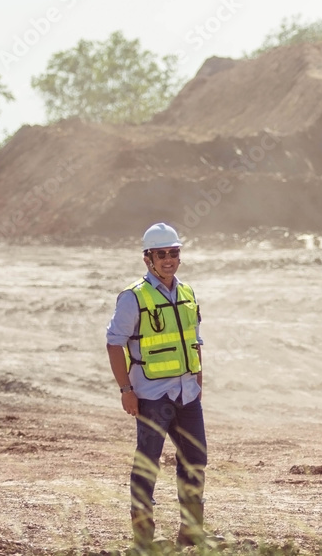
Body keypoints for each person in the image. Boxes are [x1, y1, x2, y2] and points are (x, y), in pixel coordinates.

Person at [106, 222, 207, 550]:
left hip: (187, 393)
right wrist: (126, 390)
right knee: (148, 462)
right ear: (147, 258)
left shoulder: (188, 292)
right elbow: (114, 343)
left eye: (173, 253)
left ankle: (191, 532)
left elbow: (194, 339)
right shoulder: (133, 297)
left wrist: (198, 377)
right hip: (150, 395)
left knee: (195, 459)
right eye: (161, 254)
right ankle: (144, 539)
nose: (168, 259)